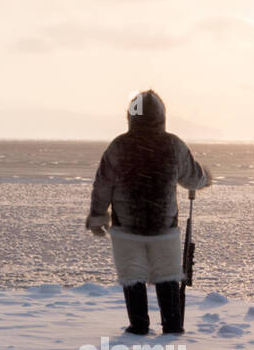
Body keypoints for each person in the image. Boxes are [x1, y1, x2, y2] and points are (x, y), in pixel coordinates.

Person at [85, 90, 211, 335]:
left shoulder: (119, 145)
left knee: (132, 275)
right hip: (163, 225)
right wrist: (205, 179)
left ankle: (139, 325)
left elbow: (103, 185)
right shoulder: (174, 144)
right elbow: (193, 178)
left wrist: (98, 215)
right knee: (167, 275)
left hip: (126, 227)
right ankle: (172, 325)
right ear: (162, 116)